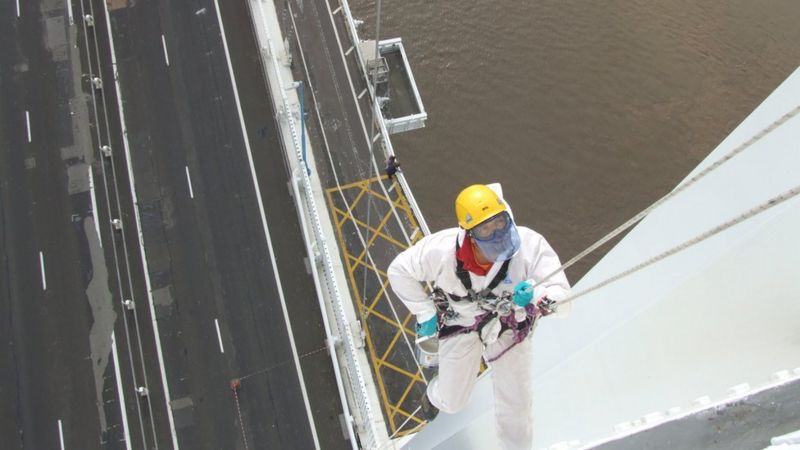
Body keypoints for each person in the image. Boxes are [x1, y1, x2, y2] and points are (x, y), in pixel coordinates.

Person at [387, 183, 571, 450]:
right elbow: (398, 271)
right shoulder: (440, 251)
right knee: (453, 401)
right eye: (485, 229)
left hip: (510, 324)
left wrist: (536, 294)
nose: (496, 233)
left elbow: (564, 303)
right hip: (462, 322)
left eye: (499, 223)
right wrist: (425, 312)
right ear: (469, 234)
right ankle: (434, 397)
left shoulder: (529, 245)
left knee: (516, 403)